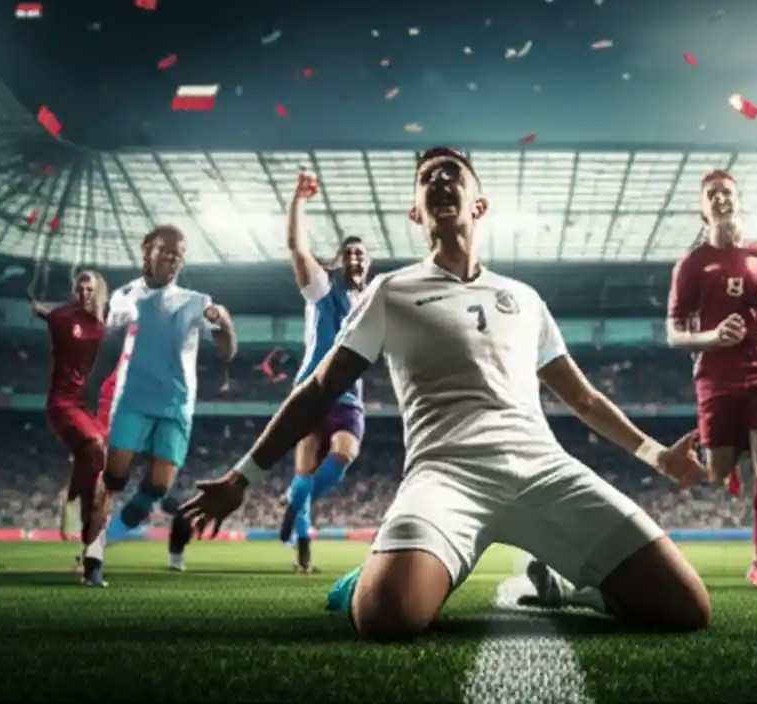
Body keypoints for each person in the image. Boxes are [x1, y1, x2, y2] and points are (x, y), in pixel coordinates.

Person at [181, 147, 711, 641]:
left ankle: (572, 586)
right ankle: (367, 577)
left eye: (451, 174)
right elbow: (320, 388)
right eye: (426, 178)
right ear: (417, 213)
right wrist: (242, 477)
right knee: (384, 618)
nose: (439, 180)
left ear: (477, 203)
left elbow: (585, 399)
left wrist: (657, 454)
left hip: (545, 468)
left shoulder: (524, 298)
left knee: (687, 608)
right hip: (446, 474)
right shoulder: (391, 290)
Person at [82, 225, 237, 587]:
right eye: (167, 251)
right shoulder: (125, 296)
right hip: (132, 401)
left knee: (156, 487)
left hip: (177, 407)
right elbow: (105, 341)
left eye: (180, 254)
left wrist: (226, 323)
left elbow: (227, 352)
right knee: (114, 478)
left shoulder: (196, 301)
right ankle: (94, 557)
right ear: (146, 250)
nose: (174, 259)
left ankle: (122, 531)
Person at [665, 170, 757, 592]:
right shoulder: (691, 265)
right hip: (716, 377)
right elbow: (673, 334)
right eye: (712, 194)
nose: (720, 198)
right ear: (703, 210)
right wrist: (712, 337)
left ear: (738, 200)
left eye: (726, 191)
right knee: (718, 472)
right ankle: (729, 459)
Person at [276, 170, 372, 574]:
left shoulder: (373, 300)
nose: (354, 258)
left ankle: (295, 500)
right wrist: (298, 200)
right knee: (305, 465)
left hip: (348, 395)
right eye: (348, 253)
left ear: (369, 264)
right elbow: (298, 249)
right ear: (339, 260)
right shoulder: (322, 289)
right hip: (311, 389)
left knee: (345, 452)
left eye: (360, 254)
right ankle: (303, 550)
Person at [30, 270, 115, 572]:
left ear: (99, 291)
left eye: (90, 288)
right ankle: (70, 503)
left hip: (93, 406)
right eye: (80, 287)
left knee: (99, 473)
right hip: (64, 403)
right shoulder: (64, 317)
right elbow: (51, 316)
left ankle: (89, 550)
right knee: (93, 447)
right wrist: (41, 311)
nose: (84, 292)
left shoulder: (107, 325)